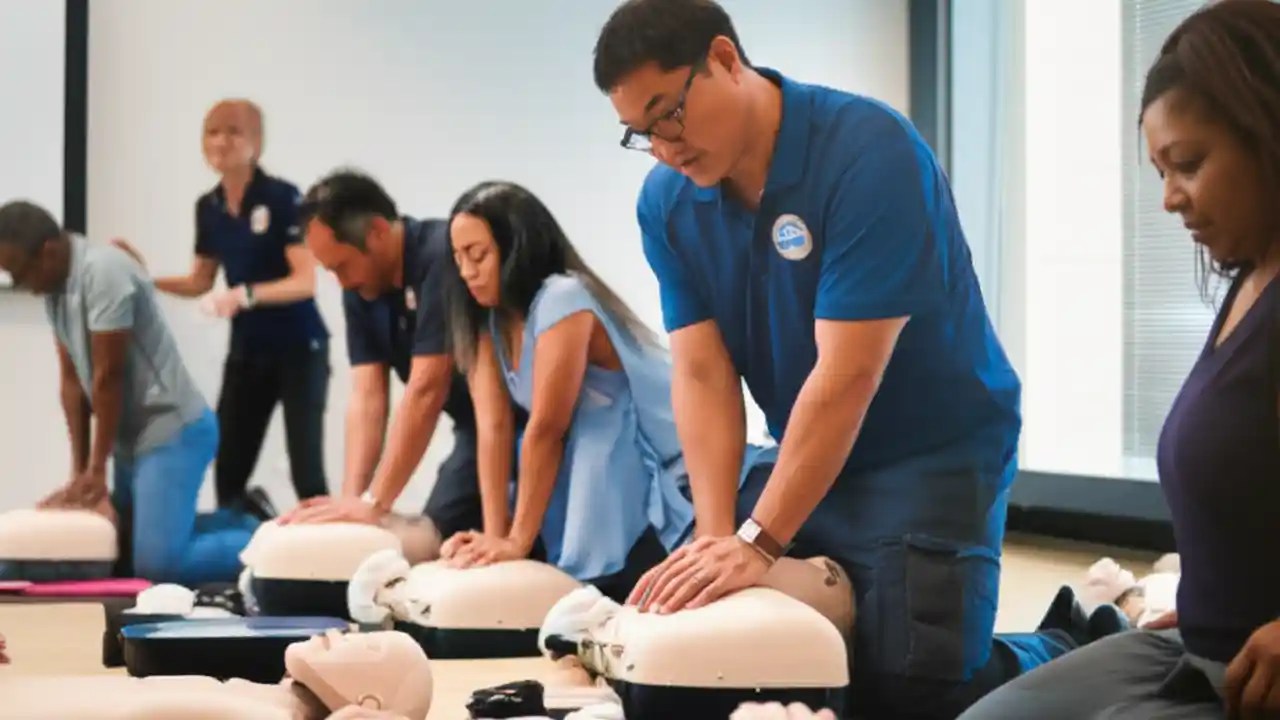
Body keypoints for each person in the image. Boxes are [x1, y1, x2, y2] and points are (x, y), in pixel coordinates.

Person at [591, 0, 1105, 716]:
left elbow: (849, 374)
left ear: (725, 60)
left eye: (668, 114)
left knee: (913, 690)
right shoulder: (668, 203)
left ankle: (1077, 637)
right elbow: (704, 374)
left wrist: (760, 541)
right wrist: (718, 539)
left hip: (930, 453)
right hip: (808, 451)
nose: (664, 147)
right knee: (705, 629)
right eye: (639, 134)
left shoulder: (868, 150)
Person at [960, 2, 1280, 718]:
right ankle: (1114, 608)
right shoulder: (1247, 281)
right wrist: (1205, 596)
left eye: (1189, 165)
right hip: (1193, 641)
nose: (1168, 199)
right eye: (1161, 170)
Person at [436, 180, 709, 601]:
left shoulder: (563, 297)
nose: (467, 271)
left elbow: (548, 426)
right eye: (458, 258)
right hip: (586, 465)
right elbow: (492, 427)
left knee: (610, 596)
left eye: (478, 255)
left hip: (650, 462)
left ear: (516, 249)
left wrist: (516, 542)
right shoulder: (489, 321)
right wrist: (495, 541)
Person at [0, 200, 258, 584]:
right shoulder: (55, 289)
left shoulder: (104, 271)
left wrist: (97, 470)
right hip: (130, 439)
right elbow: (73, 383)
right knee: (123, 556)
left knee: (158, 566)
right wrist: (80, 474)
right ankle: (234, 518)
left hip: (173, 431)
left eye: (18, 274)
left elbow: (109, 376)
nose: (21, 285)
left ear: (48, 252)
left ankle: (265, 535)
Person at [278, 170, 519, 549]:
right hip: (475, 431)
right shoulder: (360, 288)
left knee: (529, 542)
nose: (340, 282)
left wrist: (376, 502)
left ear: (376, 231)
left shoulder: (442, 254)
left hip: (534, 421)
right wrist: (352, 503)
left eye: (341, 266)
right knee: (439, 541)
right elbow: (368, 400)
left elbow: (427, 386)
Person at [113, 99, 330, 518]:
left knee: (307, 471)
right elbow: (200, 281)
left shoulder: (282, 197)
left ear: (257, 142)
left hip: (300, 350)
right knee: (228, 469)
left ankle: (322, 564)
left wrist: (246, 295)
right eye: (212, 132)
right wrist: (144, 276)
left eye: (234, 131)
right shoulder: (208, 207)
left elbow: (304, 282)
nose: (221, 141)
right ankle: (243, 543)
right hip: (248, 351)